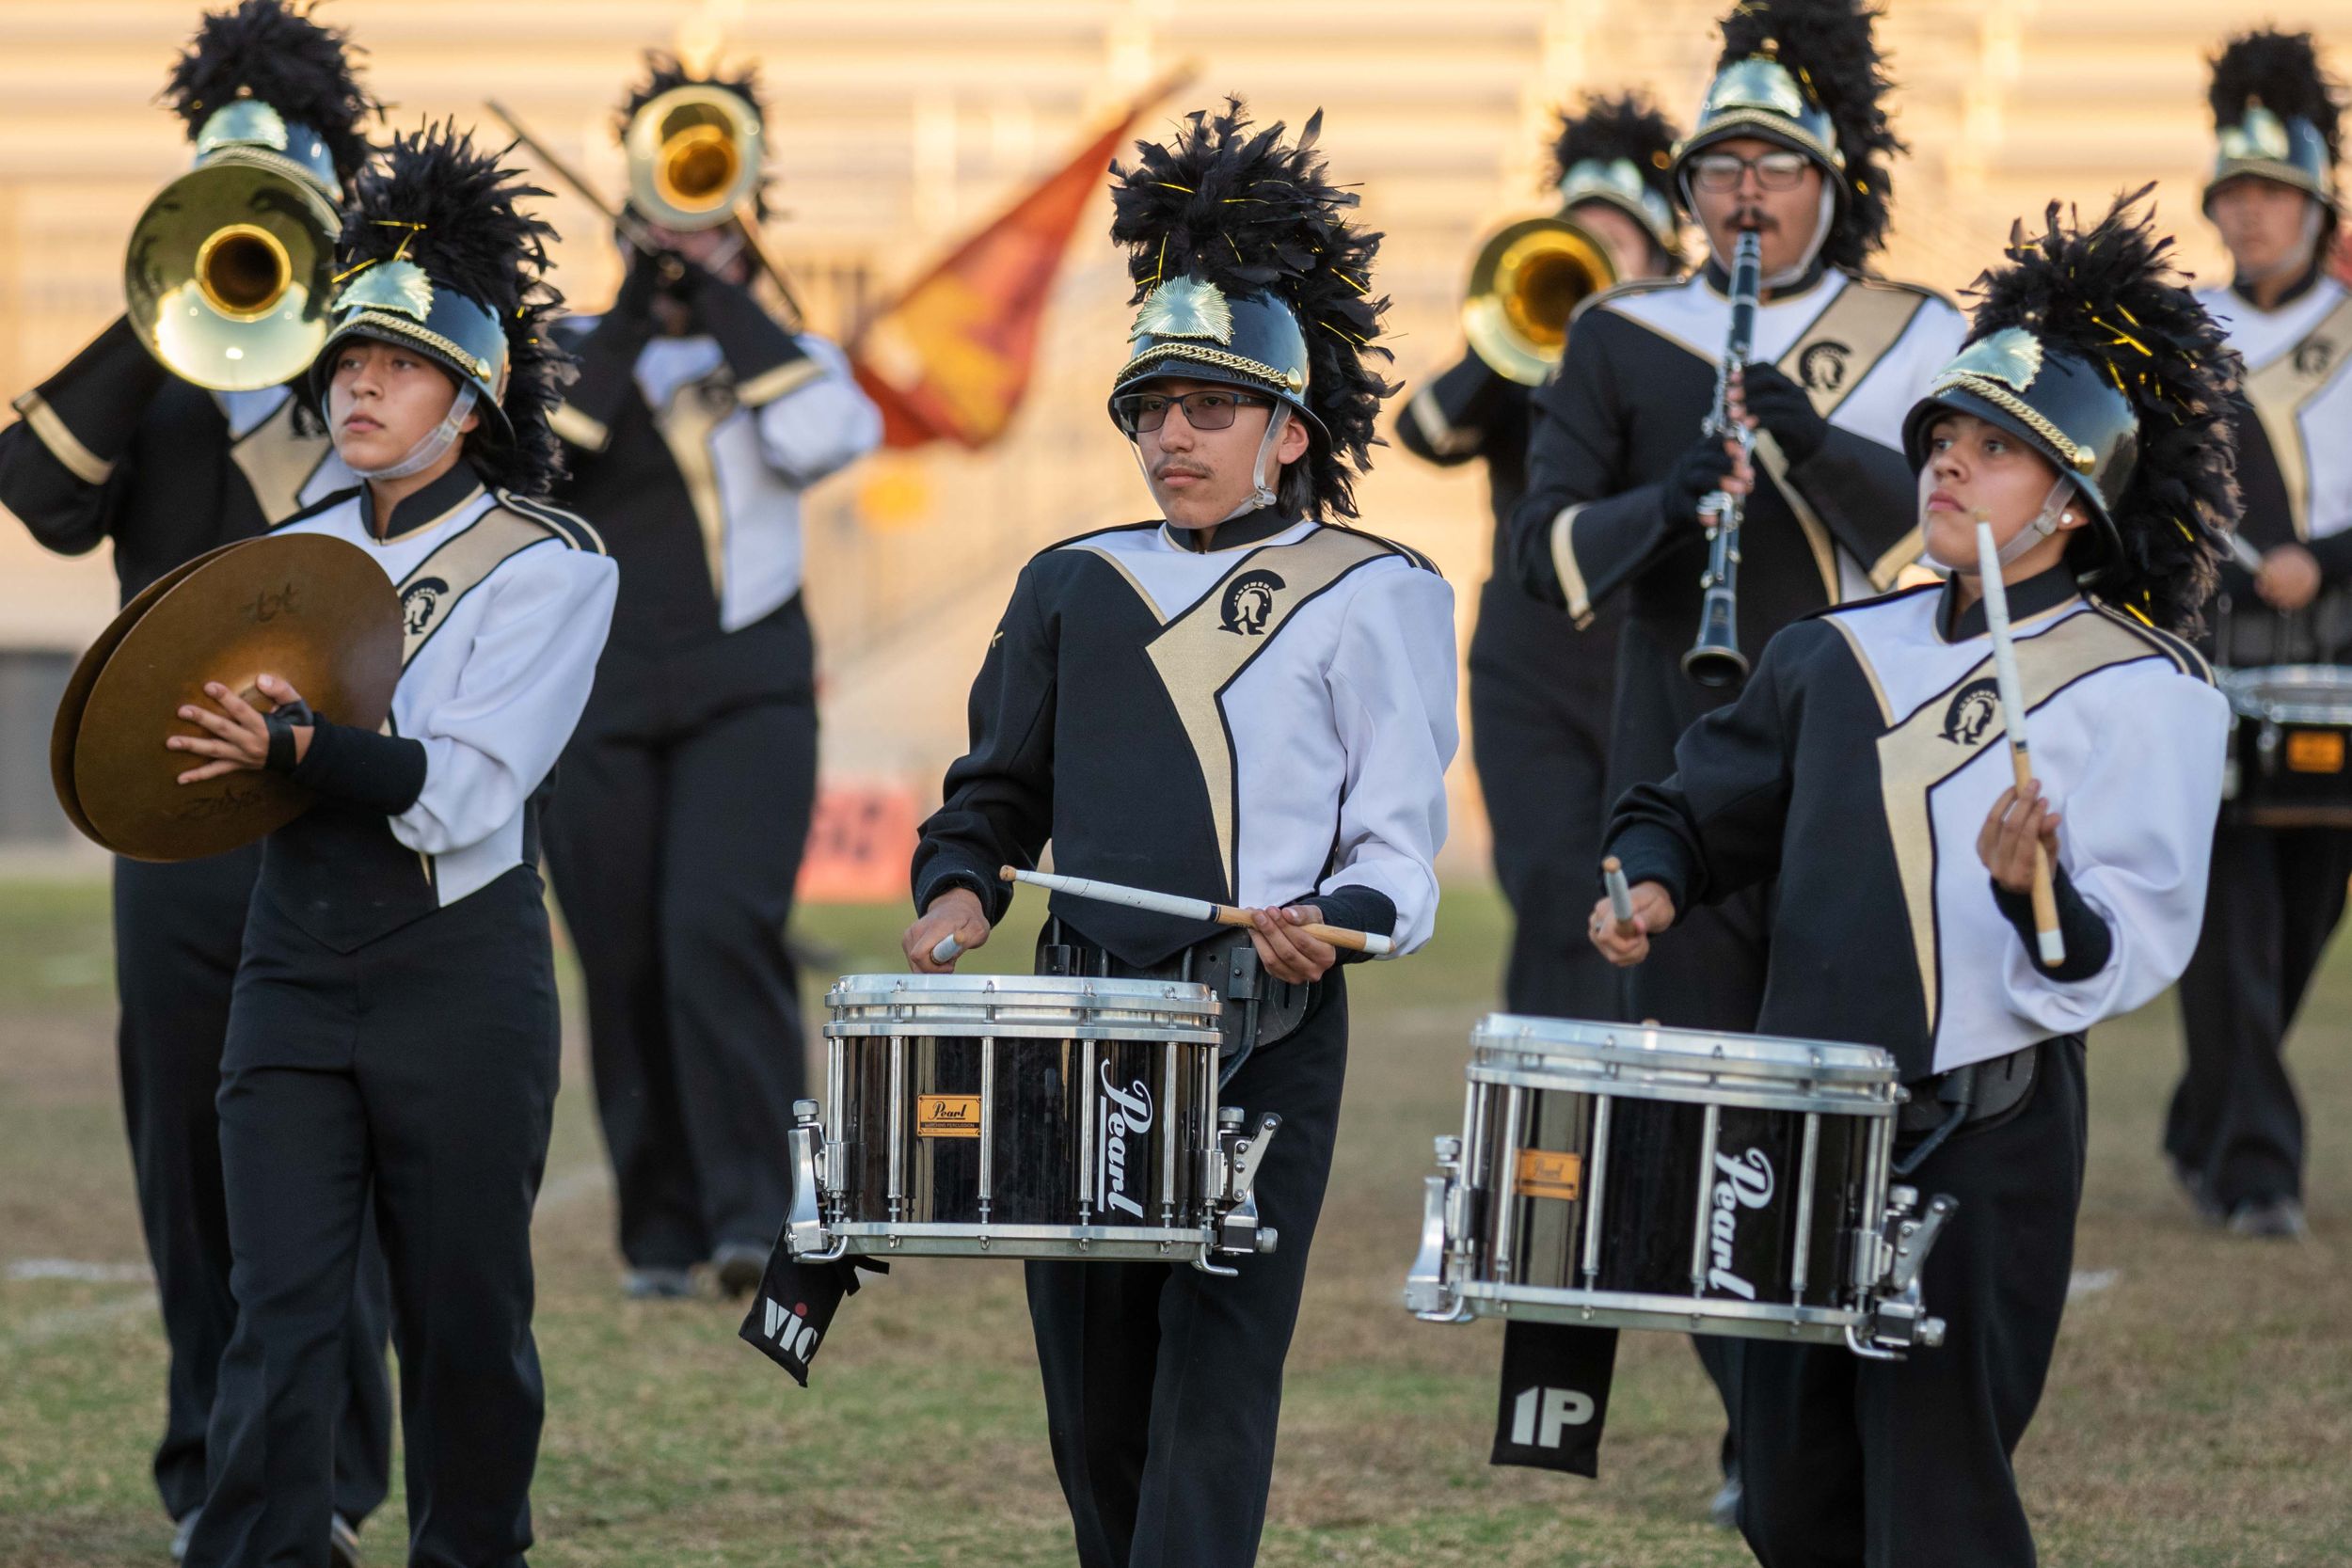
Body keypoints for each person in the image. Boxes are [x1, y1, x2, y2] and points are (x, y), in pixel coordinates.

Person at [1590, 191, 2238, 1568]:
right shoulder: (1838, 651)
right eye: (1942, 438)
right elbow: (1695, 802)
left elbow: (2134, 937)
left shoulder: (2145, 689)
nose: (1946, 466)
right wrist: (1650, 878)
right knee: (1786, 1493)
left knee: (1937, 1501)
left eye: (1993, 450)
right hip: (1801, 1128)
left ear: (2071, 500)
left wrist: (2033, 889)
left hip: (1980, 1135)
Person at [899, 100, 1457, 1568]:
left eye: (1207, 409)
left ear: (1289, 427)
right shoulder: (1071, 577)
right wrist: (956, 891)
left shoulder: (1377, 586)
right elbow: (994, 793)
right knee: (1095, 1406)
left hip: (1267, 1020)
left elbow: (1399, 844)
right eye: (1151, 409)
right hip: (1080, 1011)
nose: (1169, 438)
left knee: (1214, 1384)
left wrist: (1340, 913)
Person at [1507, 0, 1967, 1516]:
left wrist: (1801, 436)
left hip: (1864, 765)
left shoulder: (1922, 333)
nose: (1746, 194)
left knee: (1854, 1097)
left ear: (1832, 181)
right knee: (1701, 1102)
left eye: (1776, 167)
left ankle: (1839, 1401)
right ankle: (1749, 1424)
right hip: (1680, 764)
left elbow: (1936, 531)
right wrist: (1673, 507)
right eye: (1723, 169)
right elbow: (1548, 552)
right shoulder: (1621, 334)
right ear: (1692, 188)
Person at [168, 123, 617, 1568]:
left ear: (470, 402)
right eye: (349, 360)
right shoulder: (300, 531)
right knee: (282, 1308)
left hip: (459, 973)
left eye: (400, 364)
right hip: (292, 958)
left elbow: (461, 791)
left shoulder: (552, 562)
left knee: (465, 1319)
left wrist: (299, 745)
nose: (360, 384)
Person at [0, 4, 390, 1558]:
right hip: (167, 815)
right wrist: (157, 303)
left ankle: (337, 1477)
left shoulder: (370, 380)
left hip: (330, 807)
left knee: (332, 1148)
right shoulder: (153, 376)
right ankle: (205, 1470)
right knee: (182, 1149)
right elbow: (33, 492)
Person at [543, 54, 882, 1301]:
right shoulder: (573, 346)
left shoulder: (790, 353)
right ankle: (660, 1226)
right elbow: (547, 452)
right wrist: (637, 303)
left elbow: (827, 435)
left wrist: (728, 298)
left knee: (718, 931)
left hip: (748, 690)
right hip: (597, 697)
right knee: (622, 953)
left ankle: (762, 1207)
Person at [1395, 91, 1681, 1023]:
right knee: (1557, 897)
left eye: (1616, 245)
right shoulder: (1524, 362)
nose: (1592, 264)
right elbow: (1424, 428)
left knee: (1652, 901)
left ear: (1661, 260)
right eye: (1576, 242)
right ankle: (1544, 1151)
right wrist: (1507, 336)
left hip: (1653, 664)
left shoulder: (1684, 364)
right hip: (1530, 669)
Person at [2166, 29, 2352, 1243]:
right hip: (2215, 654)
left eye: (2273, 194)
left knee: (2302, 915)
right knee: (2226, 910)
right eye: (2234, 194)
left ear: (2314, 201)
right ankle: (2255, 1170)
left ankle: (2202, 1117)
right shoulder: (2177, 334)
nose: (2252, 214)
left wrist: (2319, 562)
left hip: (2337, 646)